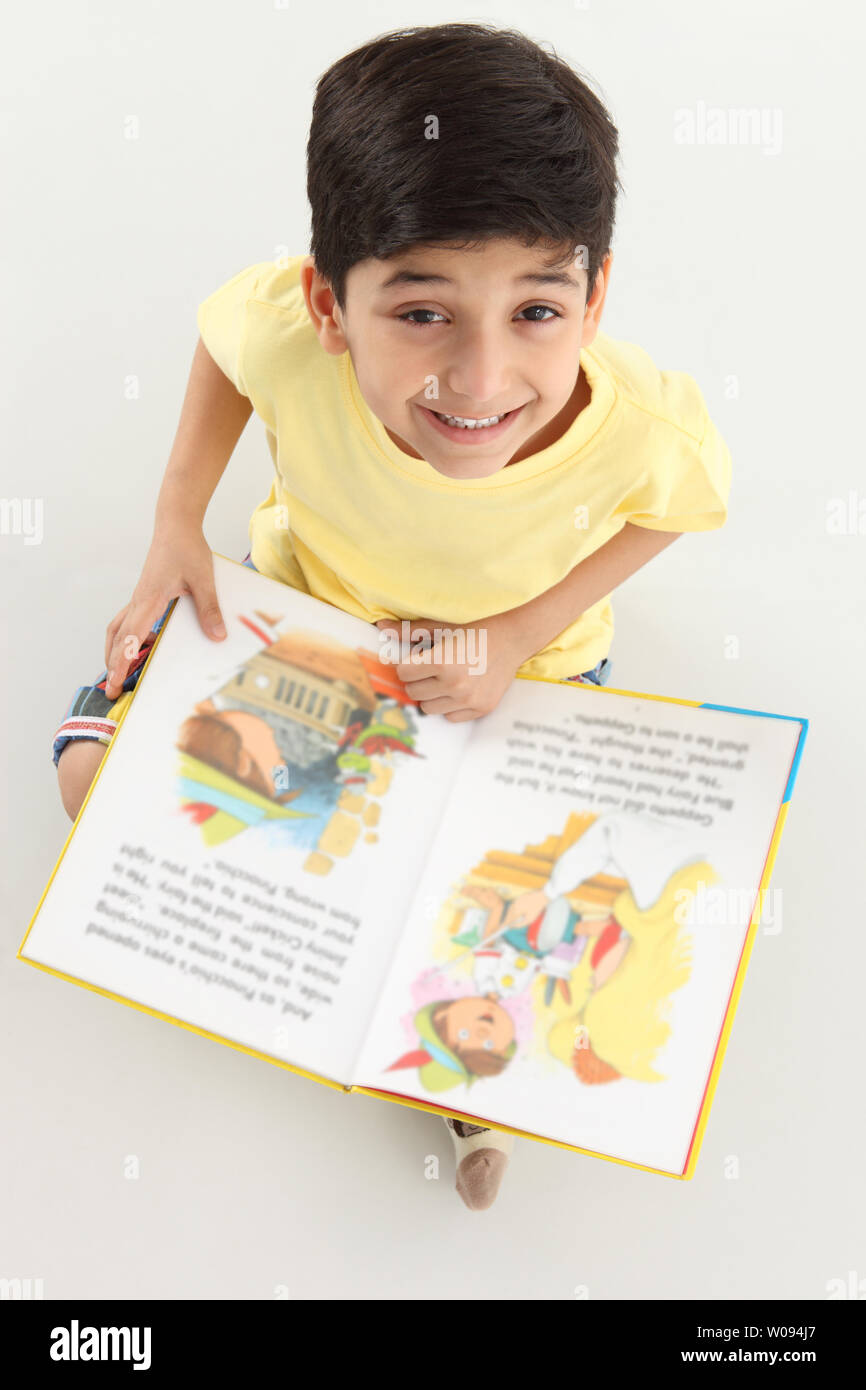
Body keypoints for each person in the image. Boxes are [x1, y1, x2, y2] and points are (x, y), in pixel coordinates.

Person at [53, 22, 731, 1211]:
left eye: (535, 312)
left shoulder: (638, 425)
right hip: (317, 617)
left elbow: (677, 508)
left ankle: (466, 1085)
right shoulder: (288, 333)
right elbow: (224, 346)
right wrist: (175, 525)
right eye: (421, 315)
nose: (479, 382)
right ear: (328, 303)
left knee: (506, 897)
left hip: (525, 668)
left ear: (595, 293)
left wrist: (519, 638)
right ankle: (310, 916)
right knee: (84, 772)